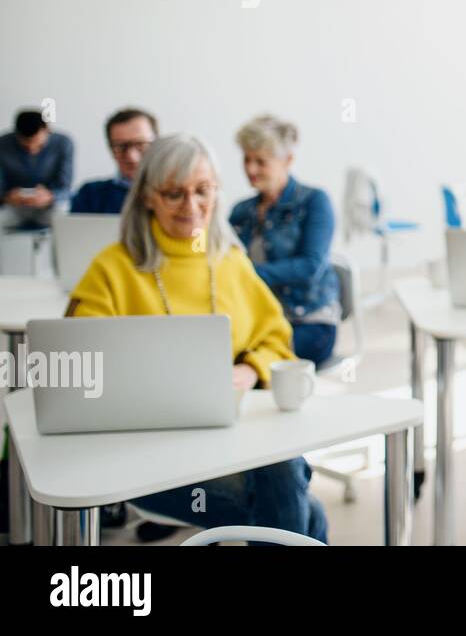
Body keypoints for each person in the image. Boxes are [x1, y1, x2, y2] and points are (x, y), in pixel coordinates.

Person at [66, 134, 326, 543]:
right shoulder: (113, 268)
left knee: (285, 470)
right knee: (303, 512)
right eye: (174, 194)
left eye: (203, 191)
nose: (192, 207)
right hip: (144, 457)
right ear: (148, 196)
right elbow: (80, 365)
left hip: (230, 442)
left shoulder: (231, 263)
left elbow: (277, 339)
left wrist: (246, 370)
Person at [230, 116, 340, 366]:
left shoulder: (314, 201)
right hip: (260, 320)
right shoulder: (240, 211)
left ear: (287, 160)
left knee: (248, 362)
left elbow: (310, 265)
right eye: (247, 159)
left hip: (309, 322)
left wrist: (247, 273)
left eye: (261, 161)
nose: (251, 169)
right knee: (219, 354)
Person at [70, 107, 158, 214]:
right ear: (110, 148)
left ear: (157, 144)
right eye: (120, 147)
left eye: (140, 144)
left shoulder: (177, 193)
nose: (132, 157)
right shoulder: (89, 194)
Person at [0, 109, 74, 229]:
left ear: (47, 131)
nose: (32, 150)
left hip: (48, 206)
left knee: (63, 215)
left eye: (38, 145)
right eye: (25, 146)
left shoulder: (63, 143)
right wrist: (8, 197)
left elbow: (65, 188)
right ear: (16, 134)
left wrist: (50, 196)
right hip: (14, 207)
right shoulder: (2, 144)